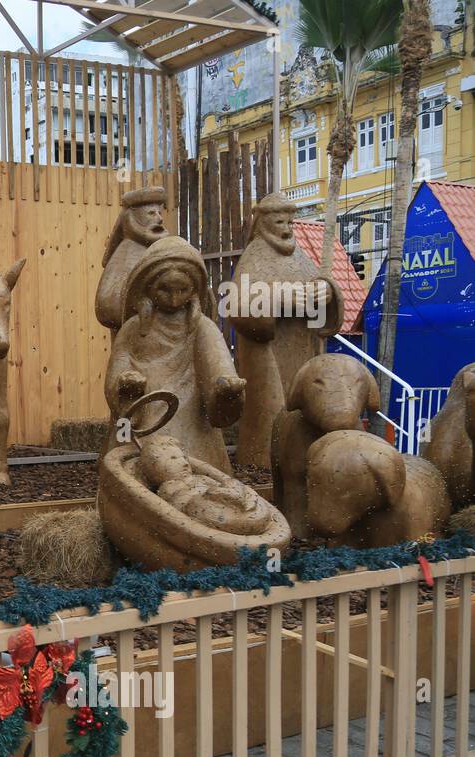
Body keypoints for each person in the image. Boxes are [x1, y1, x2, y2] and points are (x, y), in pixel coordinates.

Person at [104, 236, 245, 474]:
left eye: (183, 290)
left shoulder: (203, 328)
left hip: (190, 414)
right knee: (134, 470)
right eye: (165, 290)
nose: (174, 299)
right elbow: (118, 367)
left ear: (195, 289)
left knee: (197, 470)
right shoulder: (133, 329)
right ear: (148, 286)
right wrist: (125, 383)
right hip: (144, 410)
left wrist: (225, 389)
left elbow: (218, 364)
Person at [230, 191, 343, 468]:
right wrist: (279, 299)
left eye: (290, 223)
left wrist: (326, 292)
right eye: (280, 223)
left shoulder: (301, 257)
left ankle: (309, 460)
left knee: (307, 413)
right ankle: (265, 465)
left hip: (304, 352)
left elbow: (321, 291)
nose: (287, 229)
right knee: (272, 419)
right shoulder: (254, 256)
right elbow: (238, 306)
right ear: (264, 224)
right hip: (268, 358)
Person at [140, 435, 268, 535]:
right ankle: (239, 503)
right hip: (208, 510)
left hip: (228, 507)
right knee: (200, 501)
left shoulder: (200, 477)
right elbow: (177, 506)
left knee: (232, 483)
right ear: (155, 467)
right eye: (174, 458)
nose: (184, 463)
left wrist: (223, 488)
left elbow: (222, 484)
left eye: (184, 458)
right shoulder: (168, 487)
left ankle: (242, 502)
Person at [95, 186, 170, 336]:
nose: (160, 218)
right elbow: (106, 307)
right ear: (132, 218)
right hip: (133, 344)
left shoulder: (156, 251)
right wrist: (140, 304)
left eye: (159, 213)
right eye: (151, 213)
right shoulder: (127, 252)